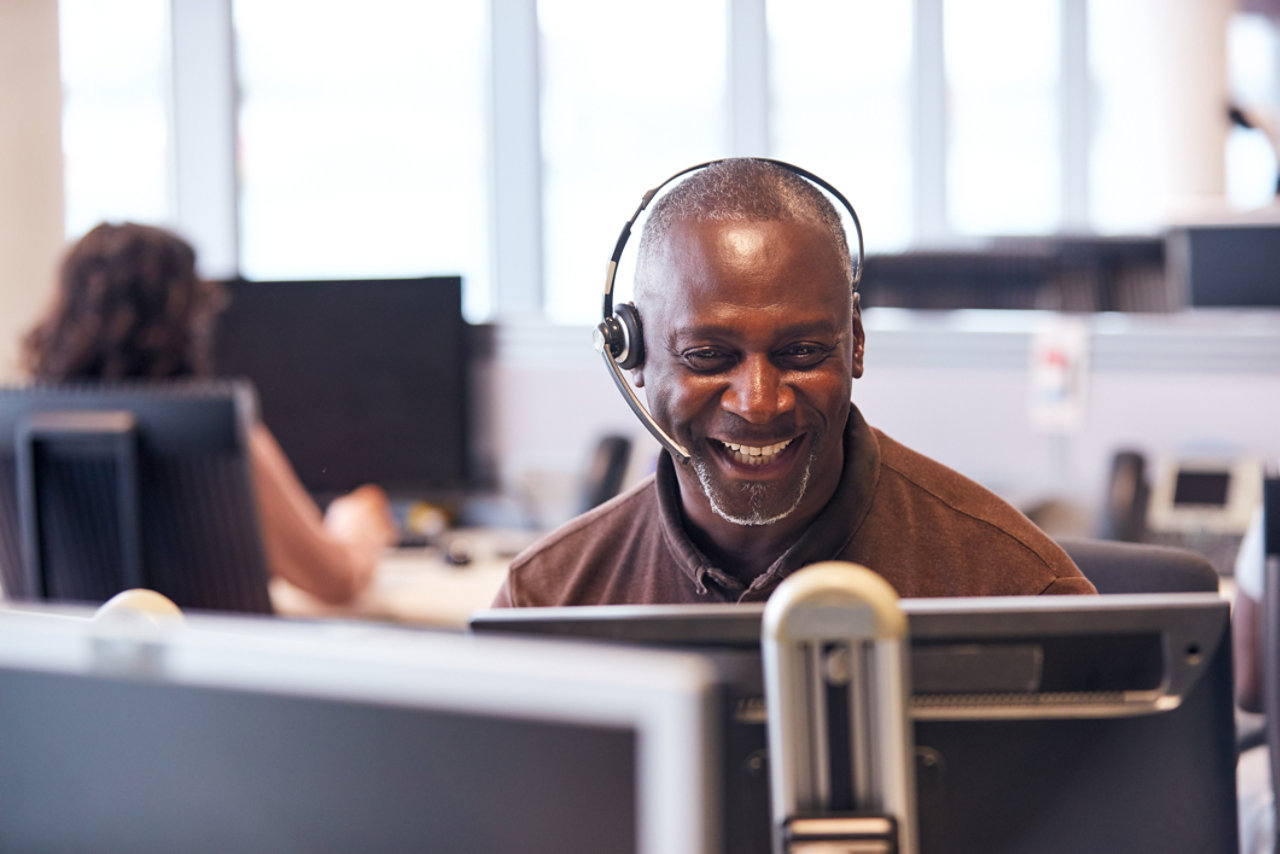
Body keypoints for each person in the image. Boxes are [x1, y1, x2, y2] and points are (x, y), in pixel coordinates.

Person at [493, 158, 1095, 607]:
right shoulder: (549, 599)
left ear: (855, 342)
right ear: (634, 353)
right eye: (708, 356)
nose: (759, 402)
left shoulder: (1018, 589)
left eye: (802, 352)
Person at [21, 222, 396, 605]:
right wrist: (356, 518)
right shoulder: (215, 432)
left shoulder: (20, 430)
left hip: (63, 663)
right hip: (216, 664)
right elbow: (335, 581)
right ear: (186, 317)